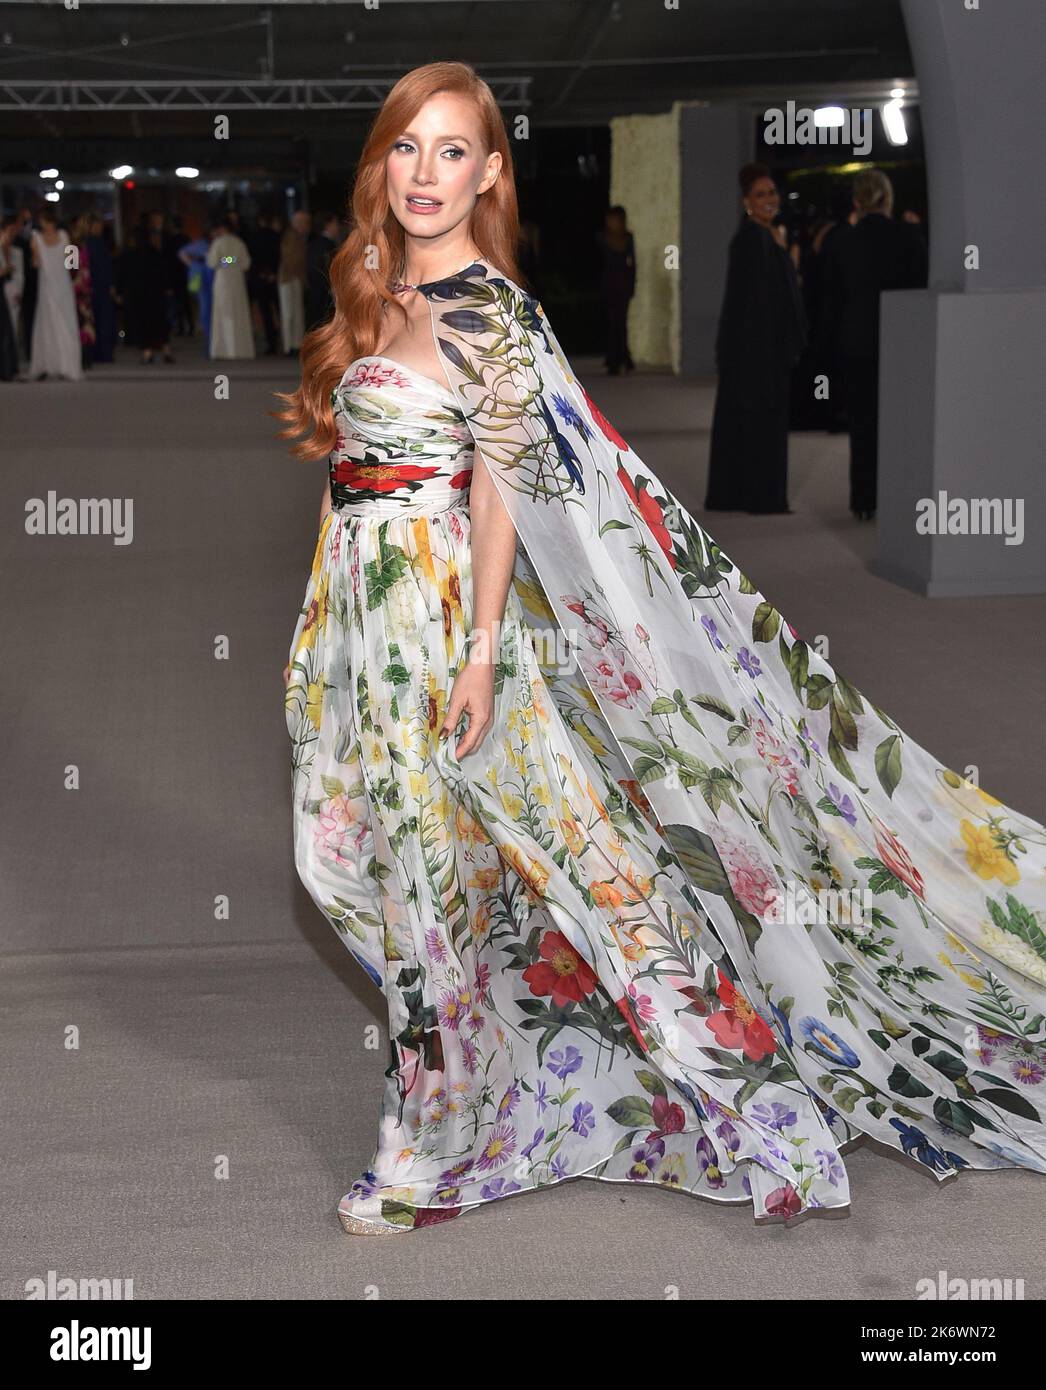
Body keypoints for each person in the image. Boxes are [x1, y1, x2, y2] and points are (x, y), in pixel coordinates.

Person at [276, 62, 1046, 1237]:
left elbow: (501, 497)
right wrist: (319, 621)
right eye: (404, 148)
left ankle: (425, 1145)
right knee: (348, 853)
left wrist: (478, 657)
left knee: (441, 874)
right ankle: (500, 1077)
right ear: (381, 164)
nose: (424, 174)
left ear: (489, 172)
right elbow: (346, 470)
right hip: (359, 621)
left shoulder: (492, 312)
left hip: (440, 631)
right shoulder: (374, 287)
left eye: (450, 152)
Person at [820, 169, 928, 520]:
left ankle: (864, 500)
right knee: (901, 424)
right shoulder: (909, 237)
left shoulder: (841, 242)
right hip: (900, 343)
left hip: (856, 342)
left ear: (857, 201)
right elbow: (920, 291)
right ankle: (899, 498)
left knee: (862, 424)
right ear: (888, 198)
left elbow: (830, 300)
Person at [705, 163, 806, 514]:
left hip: (761, 349)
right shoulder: (753, 239)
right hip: (758, 351)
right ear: (747, 201)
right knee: (759, 422)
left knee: (753, 421)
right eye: (761, 194)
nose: (769, 200)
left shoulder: (767, 235)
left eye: (772, 193)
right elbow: (756, 303)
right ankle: (761, 497)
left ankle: (744, 494)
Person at [27, 208, 83, 381]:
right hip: (61, 284)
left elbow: (35, 264)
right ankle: (64, 364)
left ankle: (49, 363)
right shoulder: (64, 235)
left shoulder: (36, 237)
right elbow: (73, 262)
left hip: (49, 284)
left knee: (48, 322)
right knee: (64, 321)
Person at [206, 215, 255, 359]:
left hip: (222, 280)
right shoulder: (239, 243)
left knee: (223, 313)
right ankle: (240, 349)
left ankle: (223, 350)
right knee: (238, 313)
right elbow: (246, 263)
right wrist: (233, 260)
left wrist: (225, 261)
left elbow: (212, 262)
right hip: (237, 281)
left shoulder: (218, 243)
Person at [597, 205, 635, 375]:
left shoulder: (628, 238)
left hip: (623, 285)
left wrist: (632, 284)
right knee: (613, 323)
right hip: (608, 284)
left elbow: (633, 264)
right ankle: (616, 358)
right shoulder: (602, 238)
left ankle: (621, 358)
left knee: (621, 323)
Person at [278, 210, 310, 355]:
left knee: (293, 313)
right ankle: (290, 345)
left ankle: (293, 344)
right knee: (290, 313)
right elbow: (291, 259)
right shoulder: (293, 237)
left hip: (292, 278)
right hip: (290, 278)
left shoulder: (295, 236)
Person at [305, 211, 340, 330]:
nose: (337, 226)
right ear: (328, 224)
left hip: (315, 292)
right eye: (335, 223)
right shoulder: (328, 246)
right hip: (324, 295)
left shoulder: (314, 243)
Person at [0, 215, 24, 379]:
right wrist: (6, 270)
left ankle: (8, 367)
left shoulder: (14, 250)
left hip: (6, 289)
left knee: (7, 329)